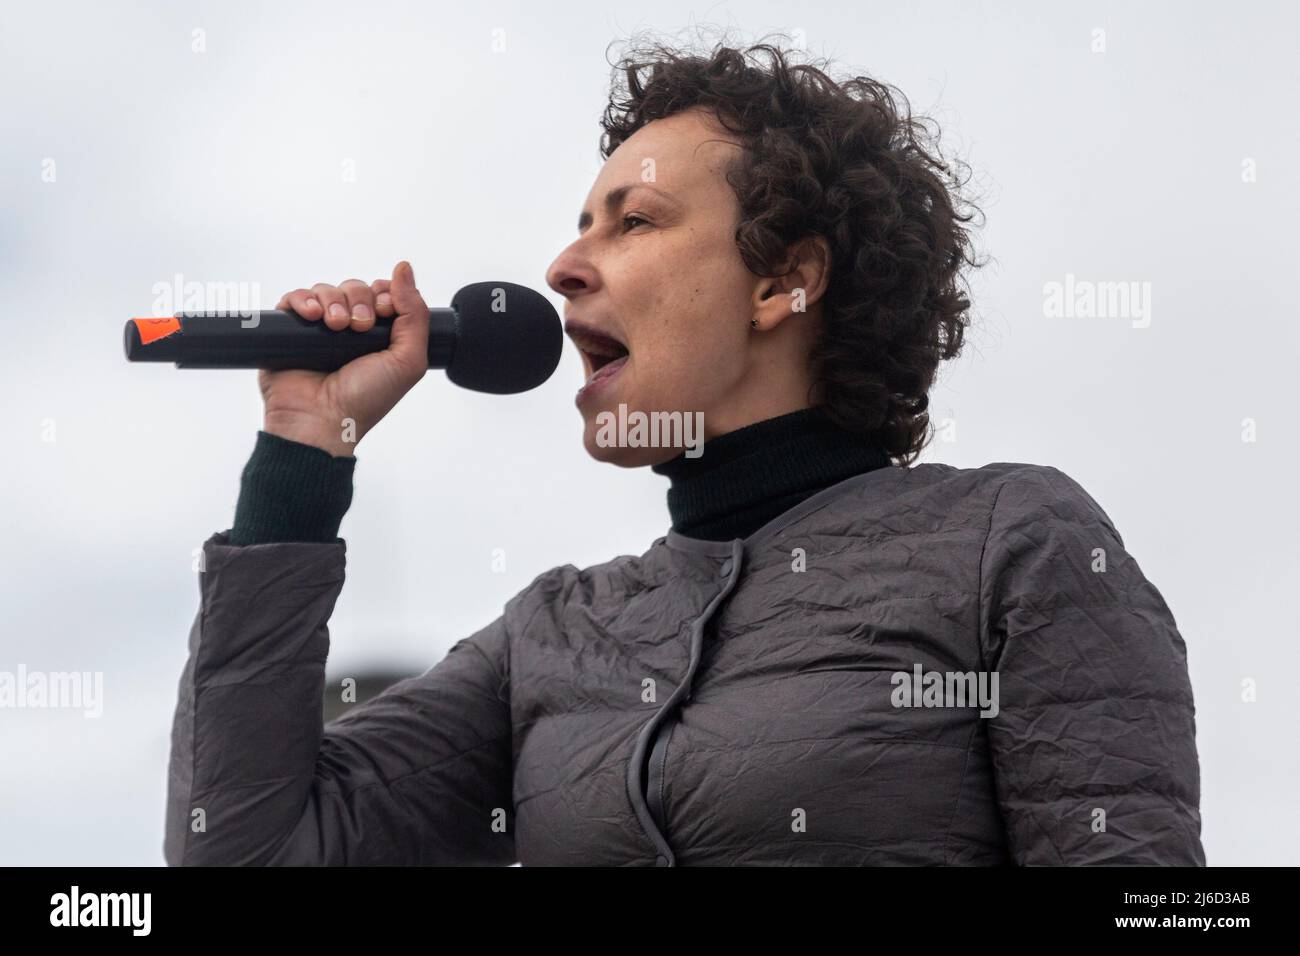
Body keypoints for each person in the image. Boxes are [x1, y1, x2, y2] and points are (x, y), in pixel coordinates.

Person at [163, 40, 1205, 866]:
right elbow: (240, 848)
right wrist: (302, 461)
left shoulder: (1010, 542)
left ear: (780, 280)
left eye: (634, 222)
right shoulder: (549, 634)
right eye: (579, 227)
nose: (563, 267)